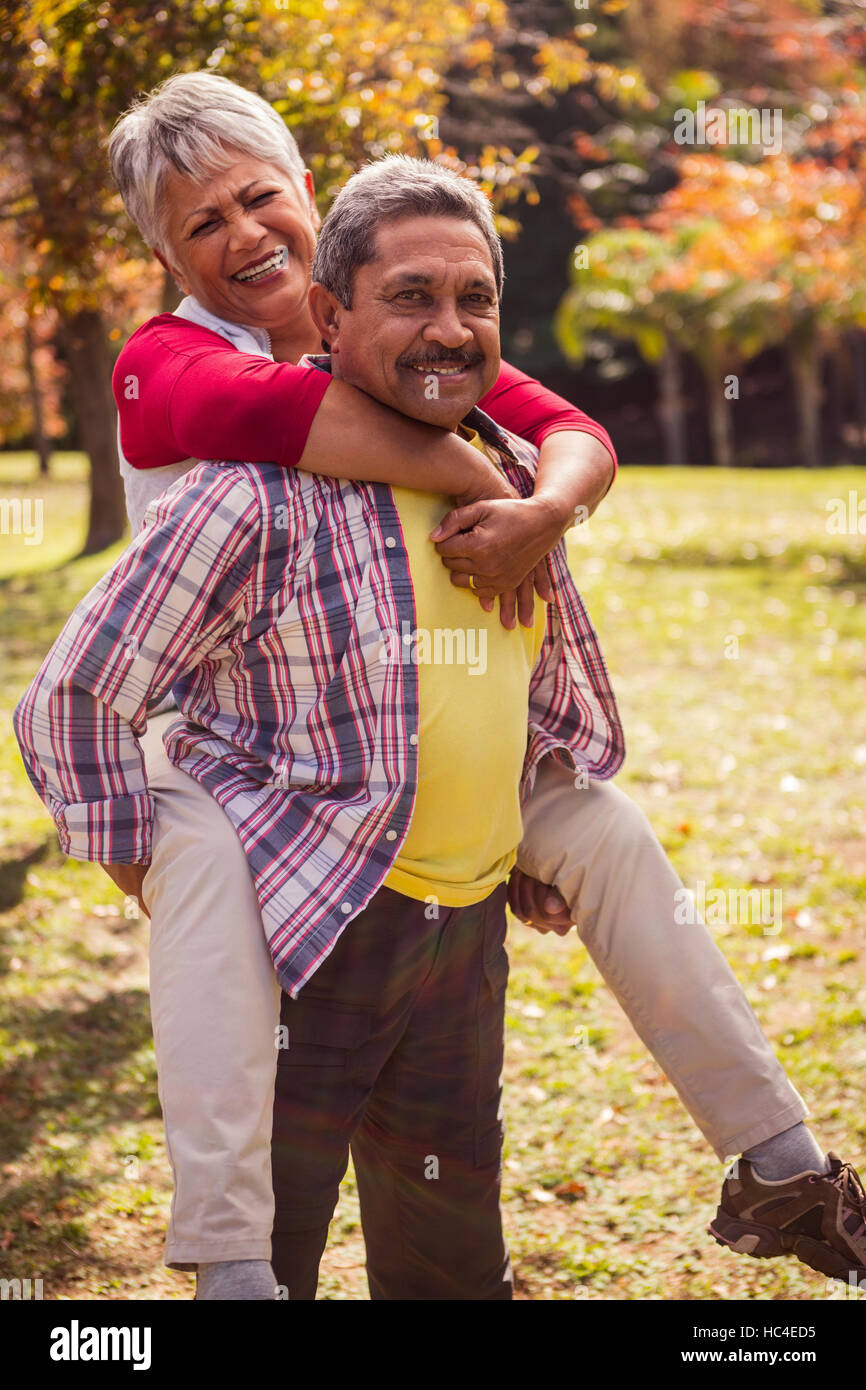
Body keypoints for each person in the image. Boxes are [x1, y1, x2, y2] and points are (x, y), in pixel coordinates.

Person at [18, 70, 866, 1296]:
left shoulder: (420, 350)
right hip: (219, 747)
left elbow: (570, 430)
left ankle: (779, 1159)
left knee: (605, 840)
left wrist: (539, 500)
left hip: (402, 779)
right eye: (201, 224)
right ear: (169, 255)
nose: (239, 232)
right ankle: (229, 1261)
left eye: (259, 198)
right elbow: (302, 428)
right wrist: (485, 486)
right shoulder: (175, 367)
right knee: (200, 912)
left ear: (303, 194)